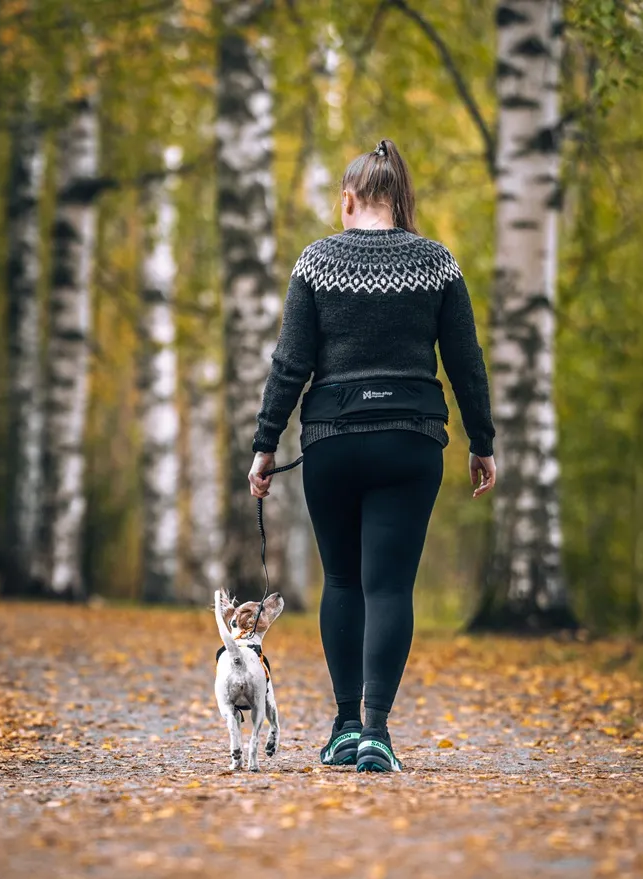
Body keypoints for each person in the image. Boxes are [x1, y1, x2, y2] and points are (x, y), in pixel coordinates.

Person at [247, 139, 496, 773]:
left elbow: (290, 364)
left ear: (350, 199)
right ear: (401, 201)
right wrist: (483, 442)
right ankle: (378, 733)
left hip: (333, 438)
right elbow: (466, 364)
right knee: (390, 585)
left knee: (344, 582)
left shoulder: (316, 261)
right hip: (412, 440)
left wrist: (264, 445)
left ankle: (343, 727)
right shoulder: (437, 263)